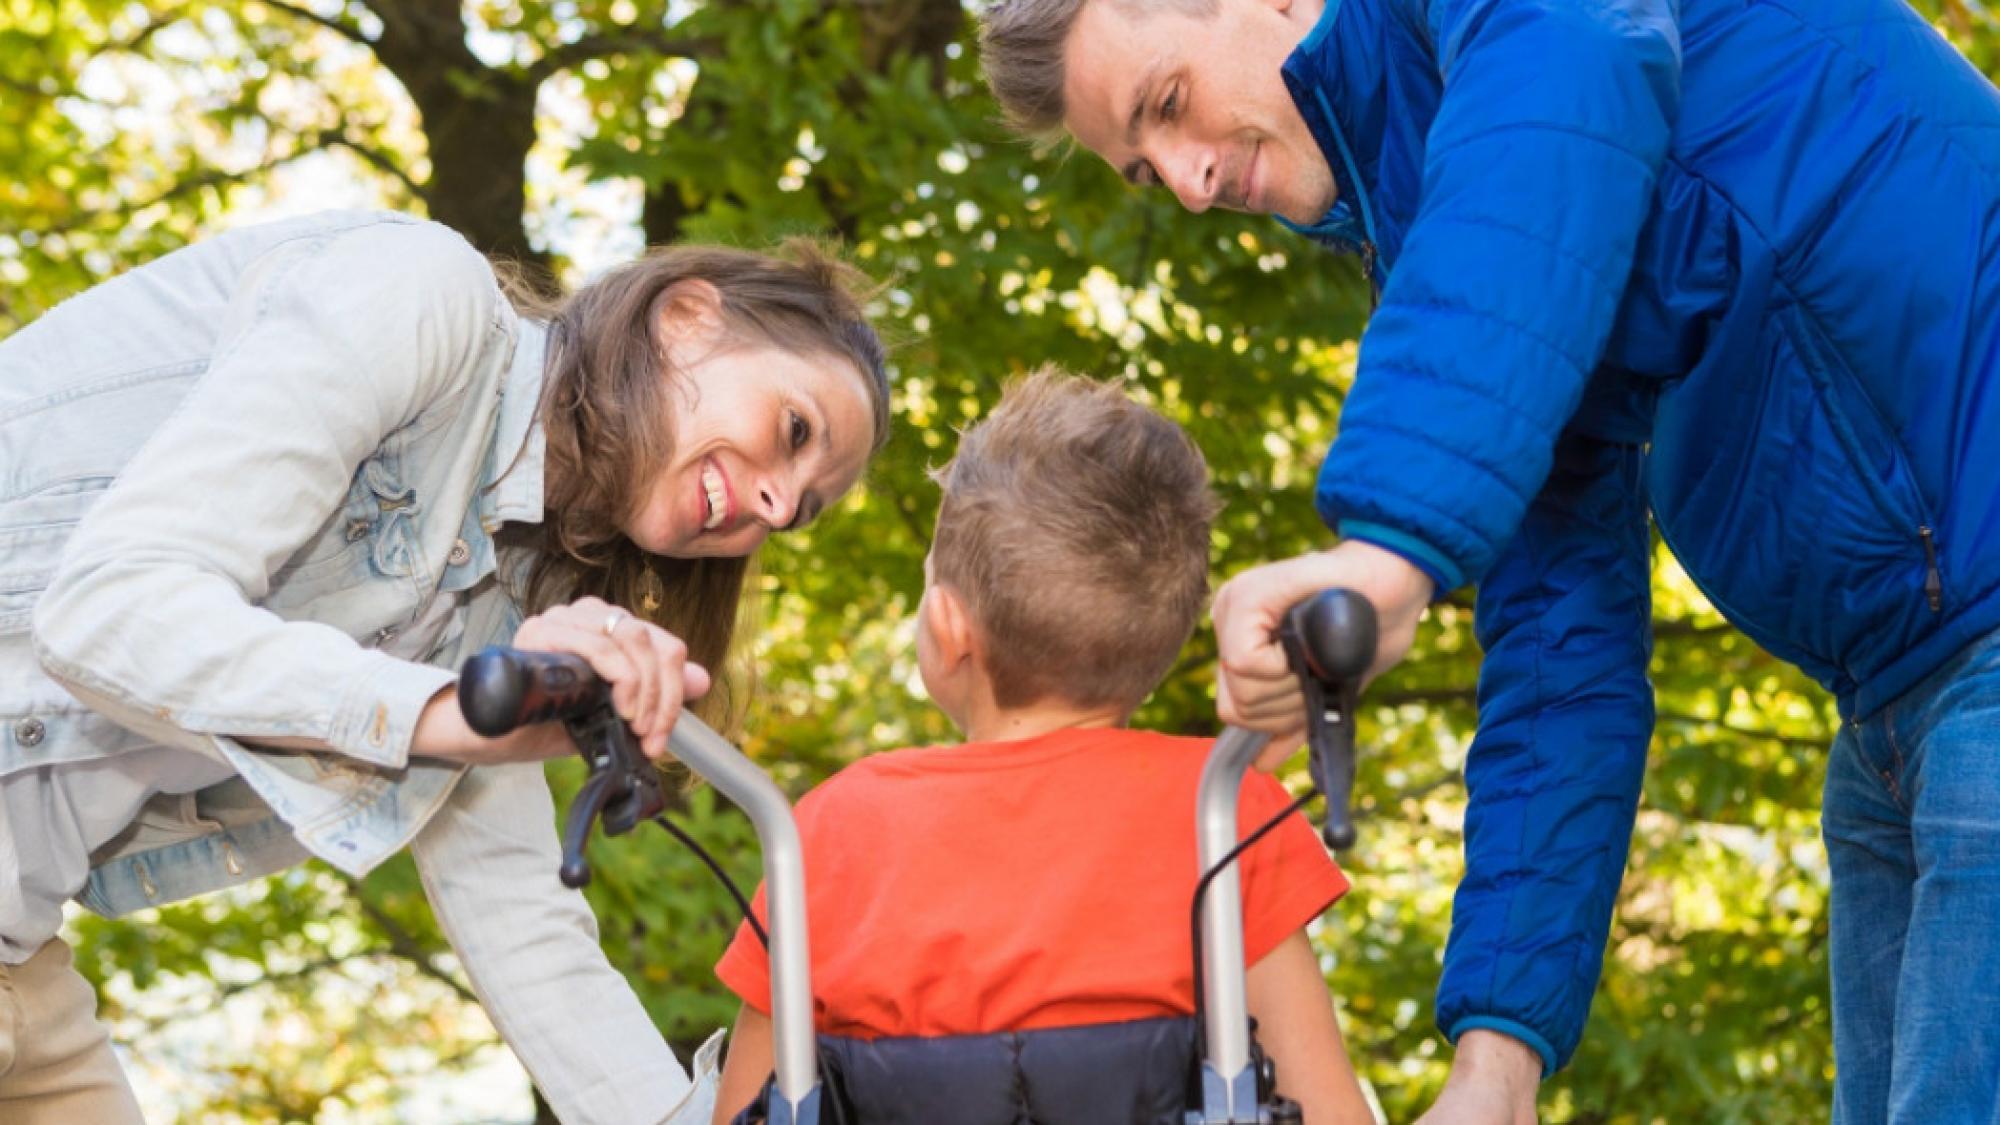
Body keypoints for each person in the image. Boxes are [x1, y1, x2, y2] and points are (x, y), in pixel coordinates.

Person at [978, 0, 2000, 1121]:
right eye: (1142, 166)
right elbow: (1560, 631)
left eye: (1167, 106)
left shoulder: (1515, 85)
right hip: (1896, 713)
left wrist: (1388, 548)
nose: (1185, 183)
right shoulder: (1454, 218)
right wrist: (1495, 1061)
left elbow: (1566, 75)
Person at [0, 209, 892, 1124]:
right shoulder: (420, 291)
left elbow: (521, 921)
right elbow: (106, 607)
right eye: (794, 428)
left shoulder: (510, 597)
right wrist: (446, 716)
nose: (781, 504)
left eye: (805, 508)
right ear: (688, 317)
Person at [708, 371, 1372, 1125]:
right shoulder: (1221, 808)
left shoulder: (827, 831)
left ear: (950, 626)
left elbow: (748, 1108)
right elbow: (1327, 1110)